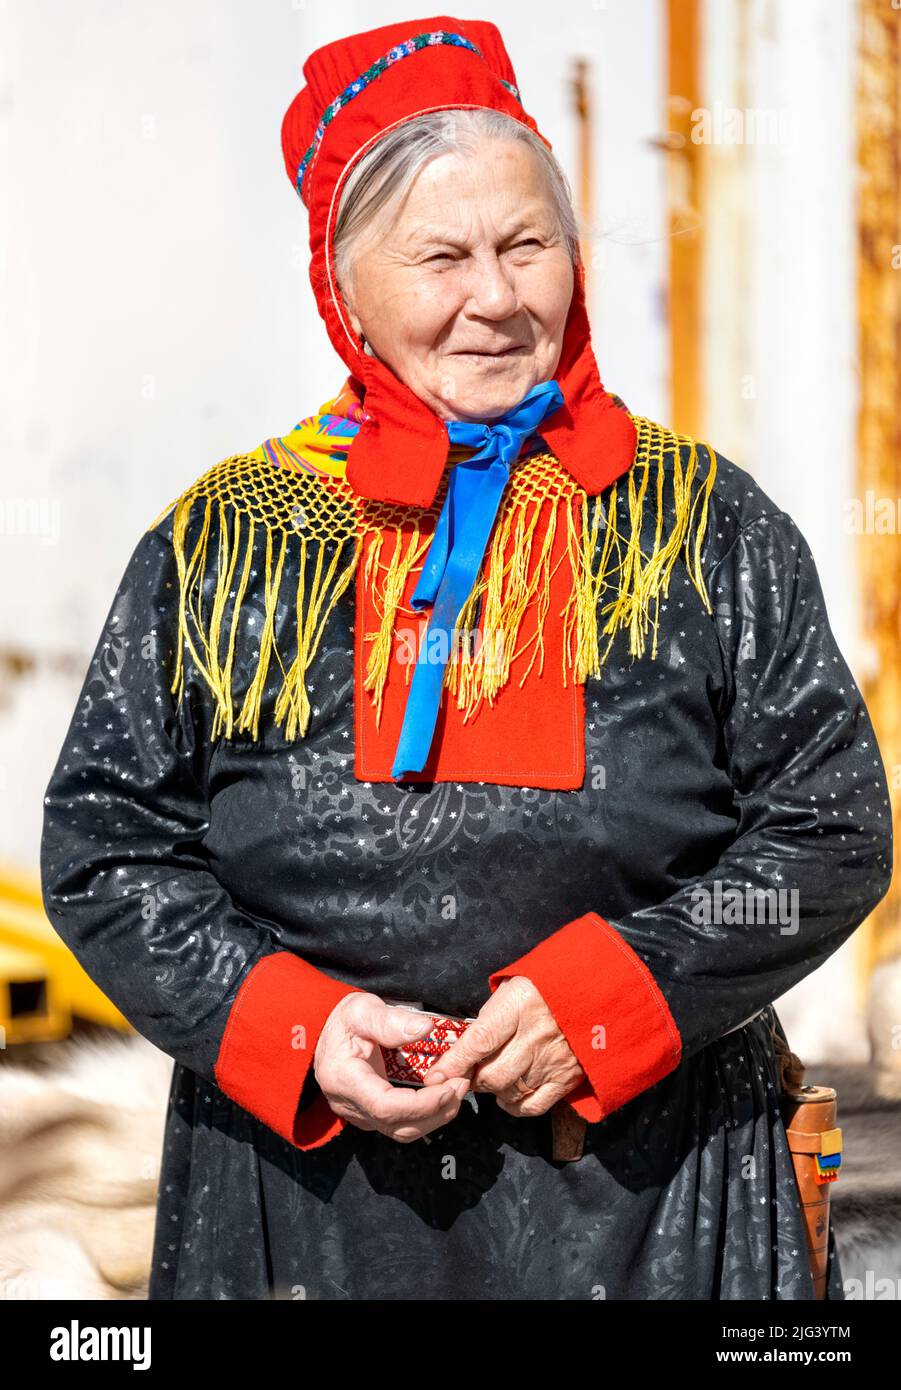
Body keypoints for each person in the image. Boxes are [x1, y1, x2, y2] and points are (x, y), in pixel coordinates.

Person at [40, 16, 892, 1300]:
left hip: (656, 1204)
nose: (495, 297)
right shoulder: (225, 545)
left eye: (527, 244)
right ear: (345, 288)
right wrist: (295, 1024)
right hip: (300, 1208)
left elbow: (829, 830)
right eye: (441, 255)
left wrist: (618, 994)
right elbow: (104, 844)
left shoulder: (698, 526)